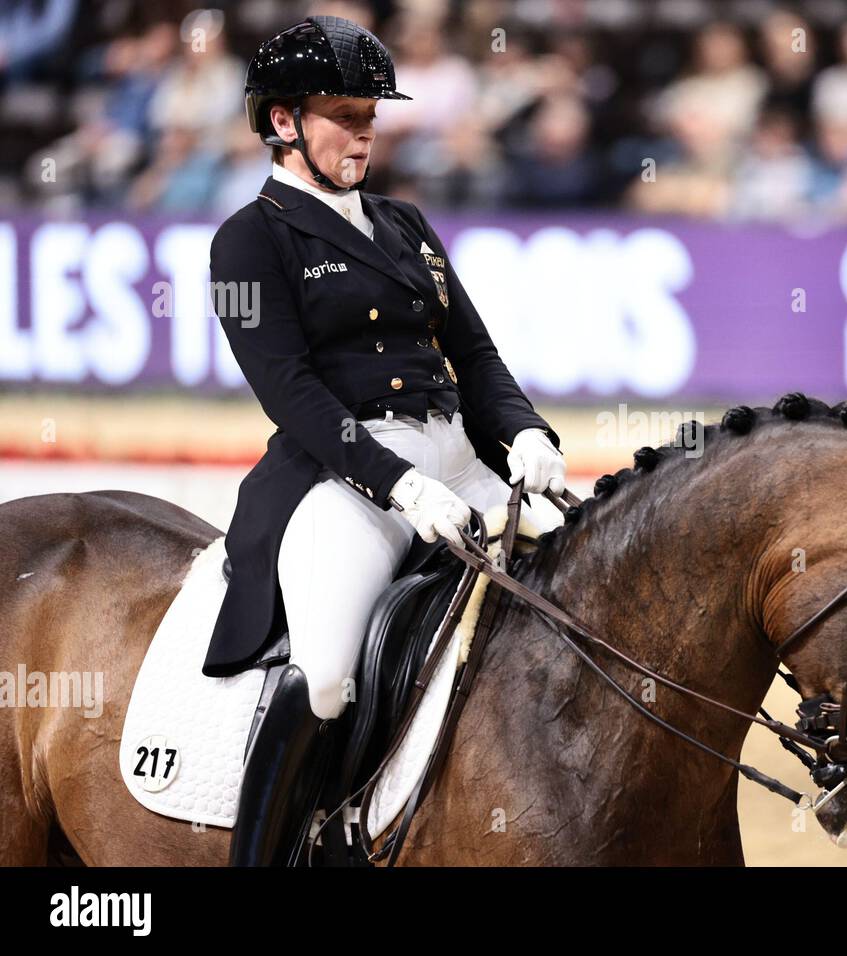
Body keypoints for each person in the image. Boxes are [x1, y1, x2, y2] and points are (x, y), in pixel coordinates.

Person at [205, 15, 566, 866]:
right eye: (343, 112)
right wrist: (397, 485)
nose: (365, 130)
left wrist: (525, 436)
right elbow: (289, 392)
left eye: (371, 112)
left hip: (461, 462)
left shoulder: (405, 225)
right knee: (328, 672)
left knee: (596, 590)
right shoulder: (248, 241)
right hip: (340, 475)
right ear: (284, 121)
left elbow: (474, 357)